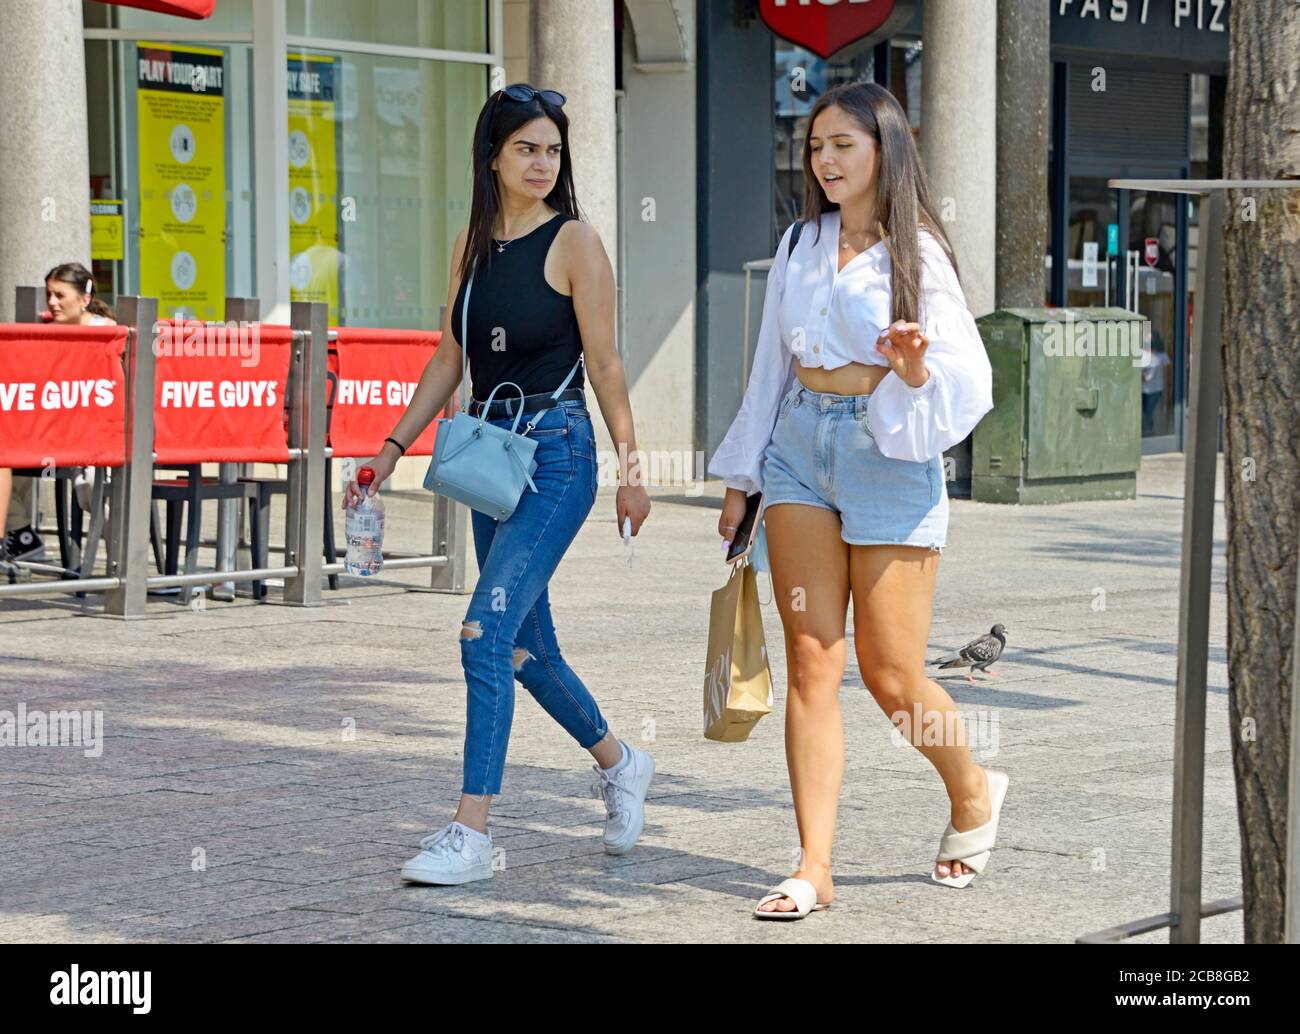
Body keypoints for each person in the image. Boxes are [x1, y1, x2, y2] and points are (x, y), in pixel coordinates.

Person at [708, 81, 1010, 918]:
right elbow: (770, 363)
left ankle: (971, 785)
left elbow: (965, 379)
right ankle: (812, 866)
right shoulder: (802, 241)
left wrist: (913, 369)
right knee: (813, 659)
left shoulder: (919, 252)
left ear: (885, 149)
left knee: (892, 674)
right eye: (816, 146)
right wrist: (743, 479)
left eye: (843, 144)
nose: (826, 160)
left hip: (888, 452)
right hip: (800, 449)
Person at [342, 84, 654, 886]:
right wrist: (390, 448)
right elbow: (449, 358)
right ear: (494, 156)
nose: (542, 163)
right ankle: (620, 762)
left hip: (557, 454)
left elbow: (608, 362)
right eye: (526, 148)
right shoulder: (473, 245)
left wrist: (632, 466)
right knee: (522, 647)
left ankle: (470, 832)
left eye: (552, 149)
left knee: (482, 631)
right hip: (489, 458)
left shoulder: (576, 242)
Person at [3, 263, 116, 562]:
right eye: (49, 294)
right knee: (6, 450)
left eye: (59, 295)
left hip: (92, 435)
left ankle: (22, 537)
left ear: (84, 298)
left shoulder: (109, 334)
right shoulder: (44, 334)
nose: (52, 302)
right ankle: (22, 535)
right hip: (48, 430)